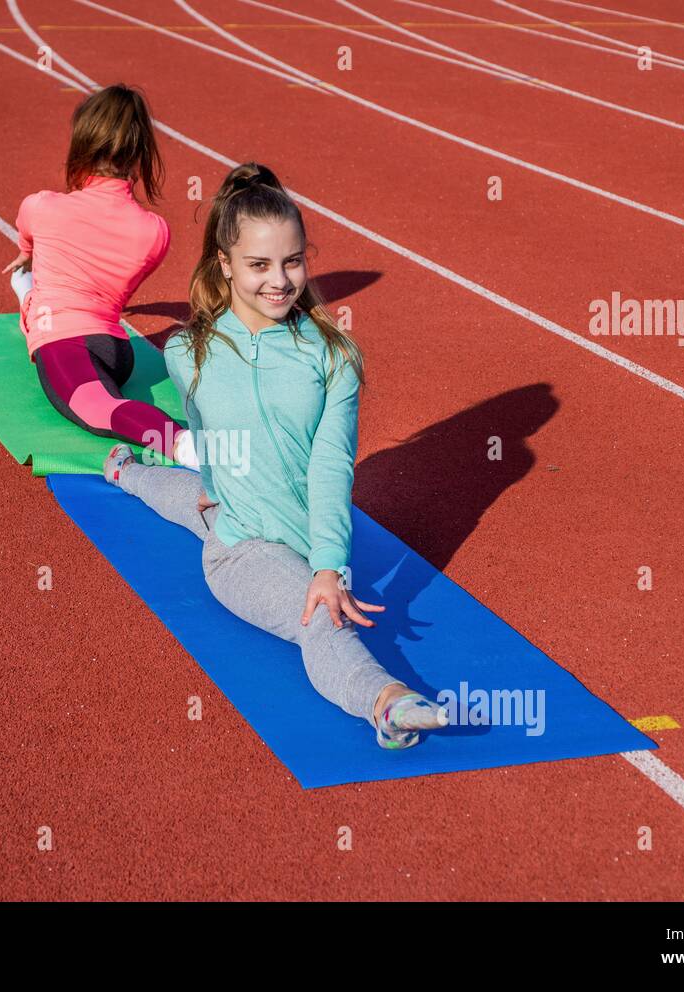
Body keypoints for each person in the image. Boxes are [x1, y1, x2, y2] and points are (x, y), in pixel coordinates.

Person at [103, 162, 448, 749]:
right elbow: (200, 422)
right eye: (259, 265)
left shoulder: (333, 356)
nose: (279, 280)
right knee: (315, 616)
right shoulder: (190, 349)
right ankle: (384, 702)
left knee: (202, 507)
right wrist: (215, 476)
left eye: (292, 261)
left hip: (303, 537)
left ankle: (131, 470)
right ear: (226, 265)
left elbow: (332, 465)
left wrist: (328, 566)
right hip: (242, 553)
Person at [2, 83, 198, 469]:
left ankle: (188, 447)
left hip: (63, 343)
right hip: (115, 349)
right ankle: (25, 288)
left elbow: (27, 236)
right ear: (140, 153)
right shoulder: (154, 231)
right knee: (42, 304)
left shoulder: (40, 206)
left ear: (81, 147)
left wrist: (27, 254)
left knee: (98, 409)